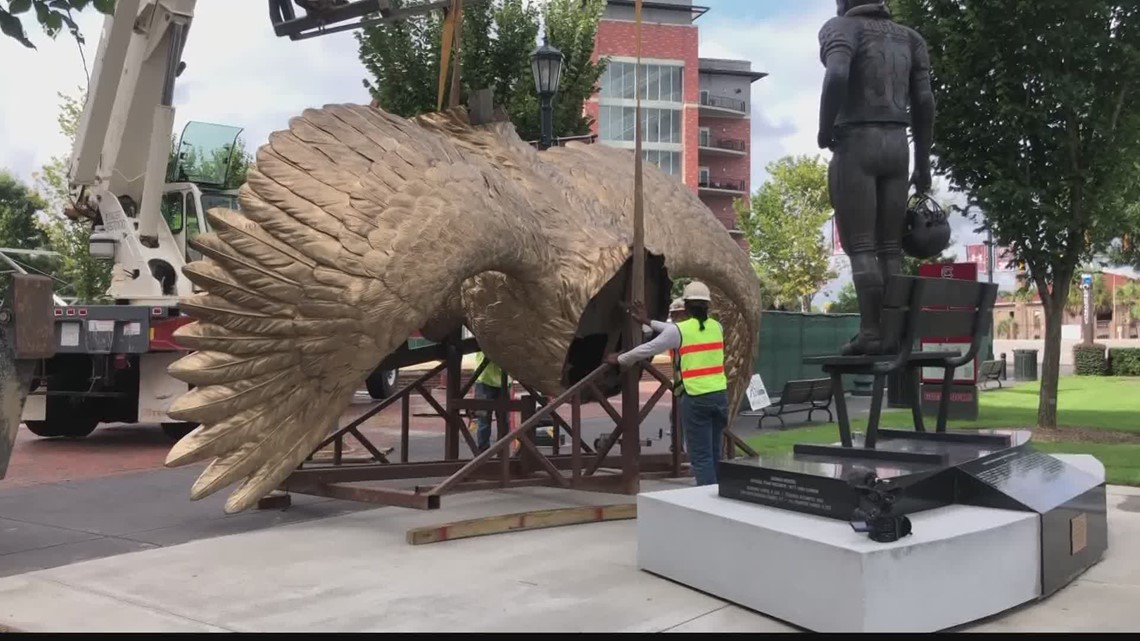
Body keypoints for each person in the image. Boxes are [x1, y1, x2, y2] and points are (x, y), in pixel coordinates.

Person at [817, 0, 935, 355]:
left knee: (862, 247)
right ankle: (893, 333)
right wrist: (923, 163)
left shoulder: (841, 28)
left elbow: (837, 75)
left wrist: (824, 128)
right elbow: (925, 101)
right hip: (898, 146)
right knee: (890, 249)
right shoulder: (911, 38)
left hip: (857, 142)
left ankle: (871, 332)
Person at [605, 282, 729, 486]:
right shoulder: (717, 327)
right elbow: (676, 329)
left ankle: (707, 498)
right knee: (715, 453)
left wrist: (619, 359)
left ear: (686, 306)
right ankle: (719, 494)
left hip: (695, 397)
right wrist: (647, 321)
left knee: (701, 457)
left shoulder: (680, 331)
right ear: (708, 306)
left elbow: (647, 348)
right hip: (719, 397)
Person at [472, 351, 510, 452]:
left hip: (501, 381)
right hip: (484, 379)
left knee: (503, 421)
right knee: (484, 419)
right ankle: (484, 452)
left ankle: (502, 451)